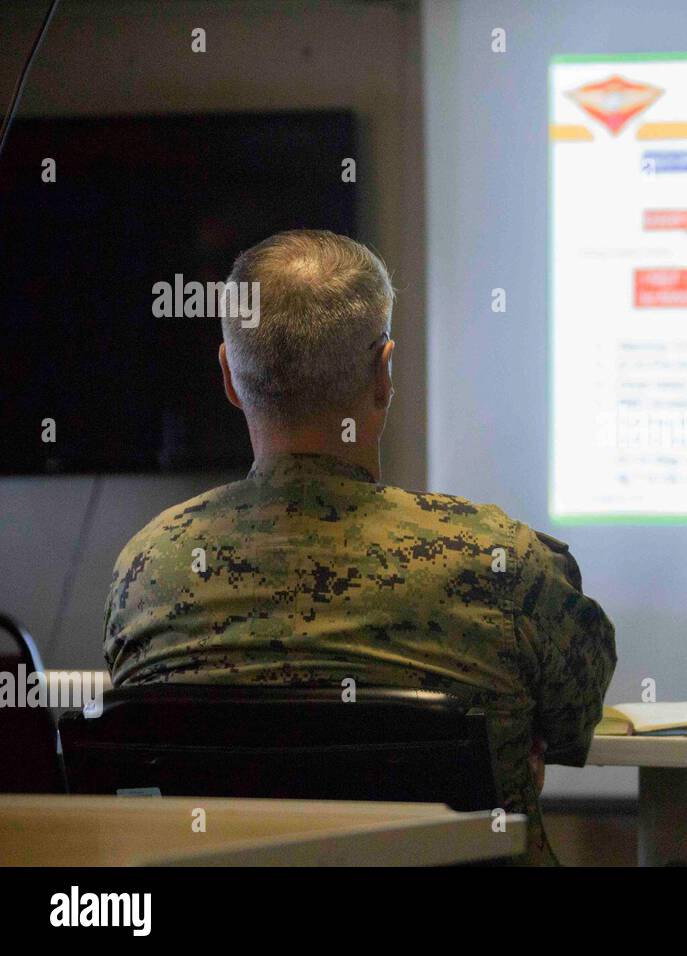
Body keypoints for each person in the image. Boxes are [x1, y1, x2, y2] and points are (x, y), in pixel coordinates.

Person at [104, 229, 616, 865]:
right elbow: (570, 726)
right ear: (384, 373)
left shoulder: (148, 571)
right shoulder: (499, 562)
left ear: (231, 380)